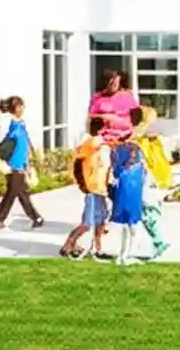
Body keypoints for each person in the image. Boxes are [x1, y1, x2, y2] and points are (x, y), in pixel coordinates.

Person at [0, 96, 44, 230]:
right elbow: (1, 141)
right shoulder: (6, 122)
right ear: (15, 107)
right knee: (15, 191)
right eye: (21, 106)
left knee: (18, 191)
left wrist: (28, 162)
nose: (23, 109)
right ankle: (32, 217)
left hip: (20, 163)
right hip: (11, 163)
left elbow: (24, 144)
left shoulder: (21, 123)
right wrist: (0, 160)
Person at [60, 117, 112, 260]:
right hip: (92, 189)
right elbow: (77, 164)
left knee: (101, 222)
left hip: (101, 190)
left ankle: (98, 249)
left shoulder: (103, 145)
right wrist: (83, 184)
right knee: (87, 223)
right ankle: (68, 245)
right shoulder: (89, 145)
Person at [131, 106, 173, 260]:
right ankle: (157, 242)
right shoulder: (142, 140)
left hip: (148, 180)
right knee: (147, 212)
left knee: (149, 212)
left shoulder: (146, 140)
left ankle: (159, 241)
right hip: (147, 181)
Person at [110, 135, 147, 266]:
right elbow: (144, 173)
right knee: (132, 226)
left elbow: (115, 170)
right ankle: (125, 255)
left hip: (123, 191)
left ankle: (123, 254)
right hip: (132, 191)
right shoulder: (136, 153)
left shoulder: (117, 152)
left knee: (127, 225)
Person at [89, 69, 140, 145]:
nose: (114, 85)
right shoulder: (98, 97)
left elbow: (137, 115)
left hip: (124, 131)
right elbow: (91, 115)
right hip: (104, 131)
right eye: (111, 83)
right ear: (106, 83)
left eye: (116, 83)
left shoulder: (126, 96)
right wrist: (105, 116)